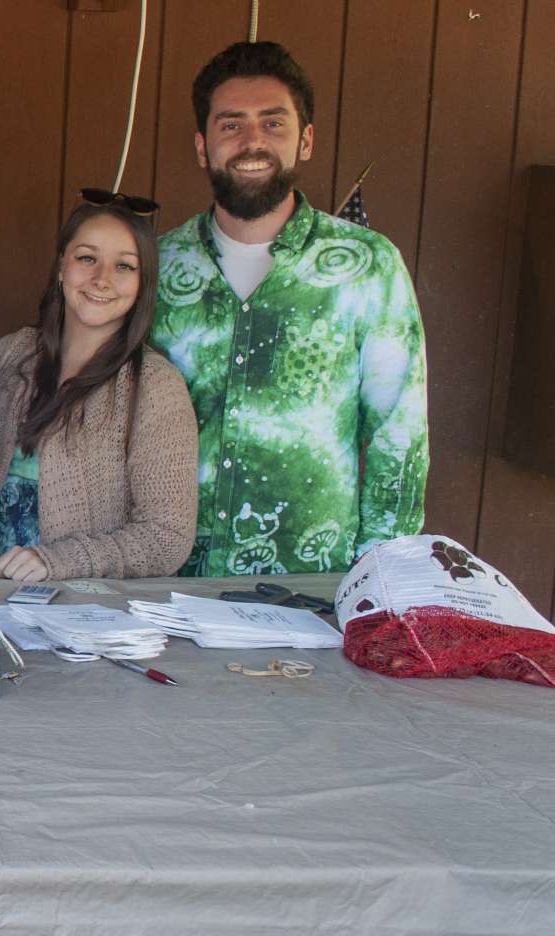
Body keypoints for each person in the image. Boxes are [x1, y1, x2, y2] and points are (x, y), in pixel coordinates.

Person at [154, 40, 428, 575]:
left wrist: (380, 577)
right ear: (202, 145)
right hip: (168, 575)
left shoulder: (367, 265)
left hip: (311, 581)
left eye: (273, 123)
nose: (252, 141)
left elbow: (399, 432)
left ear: (304, 140)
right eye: (231, 124)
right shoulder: (158, 265)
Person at [0, 191, 198, 581]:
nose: (101, 279)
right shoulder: (12, 354)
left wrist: (58, 561)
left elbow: (167, 538)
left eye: (124, 266)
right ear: (62, 265)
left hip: (79, 612)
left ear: (143, 282)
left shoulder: (155, 386)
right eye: (87, 258)